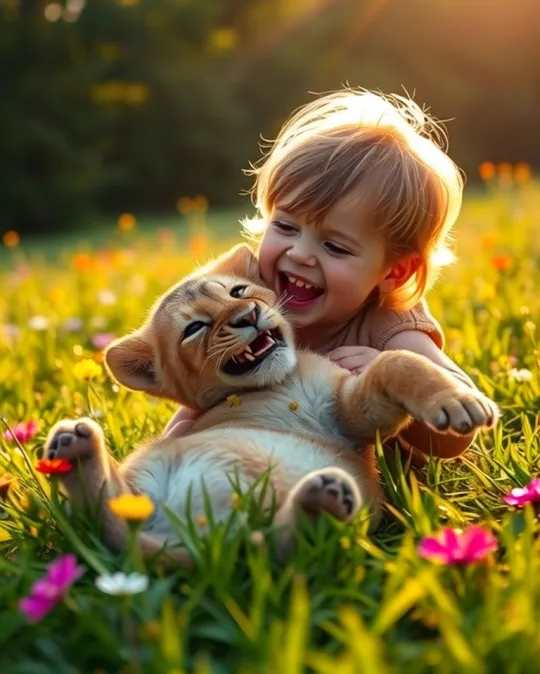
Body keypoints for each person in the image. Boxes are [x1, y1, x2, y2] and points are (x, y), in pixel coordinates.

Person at [165, 88, 481, 463]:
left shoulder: (389, 325)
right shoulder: (251, 306)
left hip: (353, 482)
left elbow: (461, 421)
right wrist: (176, 440)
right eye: (285, 226)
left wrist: (399, 384)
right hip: (262, 464)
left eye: (335, 247)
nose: (299, 254)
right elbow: (204, 390)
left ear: (395, 272)